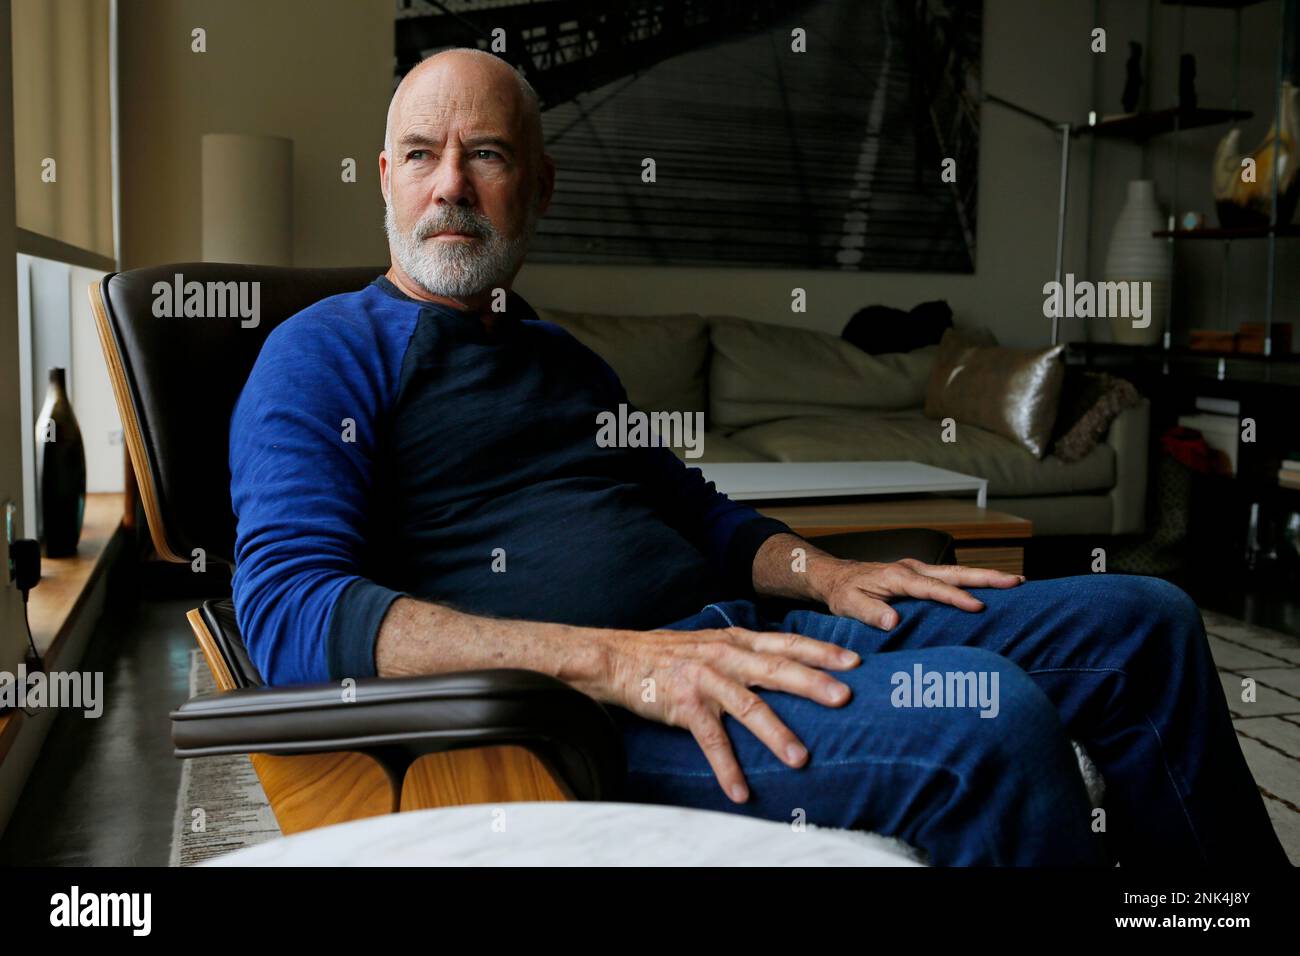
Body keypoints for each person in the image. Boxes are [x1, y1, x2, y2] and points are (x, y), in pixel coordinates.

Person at [228, 48, 1288, 866]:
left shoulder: (562, 358)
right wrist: (621, 658)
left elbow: (701, 515)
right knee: (984, 720)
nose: (450, 183)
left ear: (538, 187)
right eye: (421, 154)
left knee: (1140, 622)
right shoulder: (321, 353)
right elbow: (289, 615)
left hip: (752, 634)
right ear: (384, 180)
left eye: (487, 154)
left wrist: (824, 571)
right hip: (588, 718)